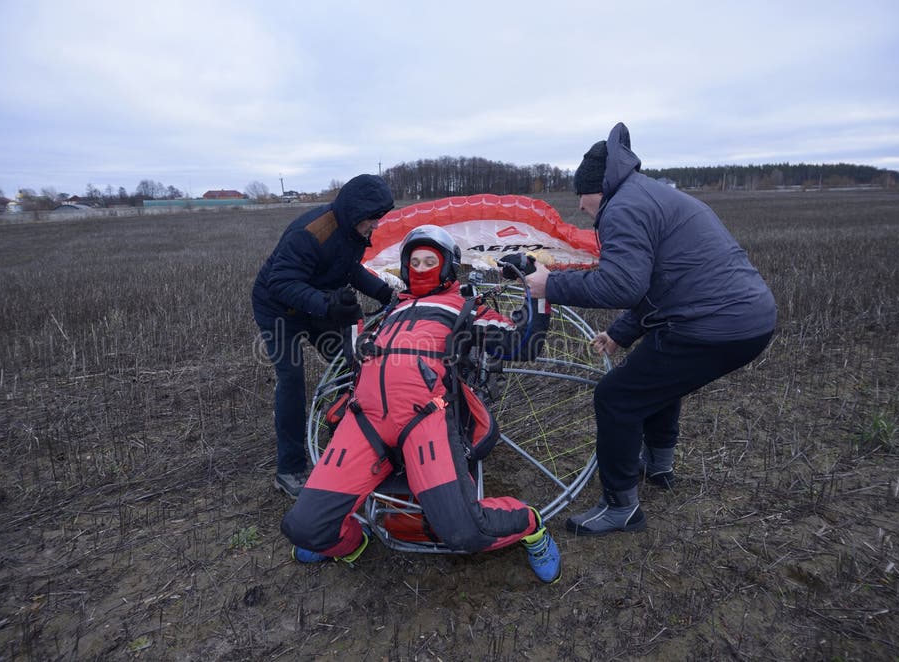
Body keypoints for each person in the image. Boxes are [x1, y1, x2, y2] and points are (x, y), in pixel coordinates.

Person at [526, 122, 776, 535]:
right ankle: (658, 467)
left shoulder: (622, 207)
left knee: (617, 397)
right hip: (744, 318)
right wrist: (621, 334)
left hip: (715, 324)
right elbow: (661, 283)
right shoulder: (647, 195)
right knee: (657, 376)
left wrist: (548, 284)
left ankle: (620, 507)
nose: (584, 211)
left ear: (595, 190)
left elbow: (622, 285)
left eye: (582, 201)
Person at [280, 225, 562, 583]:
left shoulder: (464, 308)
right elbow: (357, 359)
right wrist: (350, 320)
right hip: (364, 420)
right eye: (415, 261)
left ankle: (530, 524)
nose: (422, 267)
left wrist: (535, 286)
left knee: (464, 532)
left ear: (447, 267)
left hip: (425, 420)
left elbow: (524, 343)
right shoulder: (391, 311)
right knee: (304, 528)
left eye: (431, 260)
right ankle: (352, 543)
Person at [252, 174, 396, 499]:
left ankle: (350, 436)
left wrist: (385, 293)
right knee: (291, 380)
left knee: (350, 365)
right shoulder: (311, 233)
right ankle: (289, 470)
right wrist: (328, 305)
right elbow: (281, 282)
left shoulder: (351, 231)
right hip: (278, 310)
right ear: (355, 212)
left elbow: (349, 269)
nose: (375, 228)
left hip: (315, 305)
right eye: (371, 221)